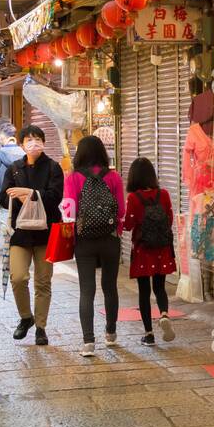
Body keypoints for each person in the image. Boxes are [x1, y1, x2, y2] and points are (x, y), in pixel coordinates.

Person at [0, 125, 63, 346]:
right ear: (22, 143)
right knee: (18, 277)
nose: (33, 143)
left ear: (43, 142)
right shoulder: (14, 168)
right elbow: (3, 198)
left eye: (37, 139)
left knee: (43, 281)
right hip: (21, 233)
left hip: (47, 232)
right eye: (29, 140)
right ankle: (26, 317)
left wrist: (31, 194)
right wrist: (18, 198)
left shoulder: (53, 168)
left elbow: (55, 197)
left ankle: (41, 328)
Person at [61, 135, 126, 357]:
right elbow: (121, 211)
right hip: (110, 239)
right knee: (110, 287)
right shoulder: (114, 177)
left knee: (86, 290)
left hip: (84, 242)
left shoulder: (73, 179)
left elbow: (69, 211)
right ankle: (111, 334)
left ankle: (88, 342)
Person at [122, 157, 176, 345]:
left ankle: (149, 334)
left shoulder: (133, 198)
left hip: (143, 249)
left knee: (144, 291)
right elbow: (169, 219)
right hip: (162, 248)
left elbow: (128, 225)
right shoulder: (164, 194)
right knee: (160, 287)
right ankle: (164, 314)